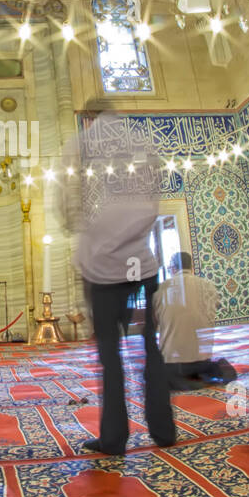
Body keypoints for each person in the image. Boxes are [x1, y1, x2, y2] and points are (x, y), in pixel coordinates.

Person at [59, 99, 176, 455]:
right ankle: (164, 429)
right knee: (151, 347)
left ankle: (114, 437)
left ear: (88, 118)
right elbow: (155, 196)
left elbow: (67, 202)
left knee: (111, 356)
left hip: (102, 268)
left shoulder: (81, 144)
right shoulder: (144, 142)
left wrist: (85, 232)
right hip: (142, 263)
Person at [153, 252, 230, 390]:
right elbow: (214, 310)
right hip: (203, 362)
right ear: (191, 266)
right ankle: (204, 376)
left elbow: (153, 324)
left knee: (153, 373)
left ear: (173, 268)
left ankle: (183, 381)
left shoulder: (160, 289)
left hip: (172, 365)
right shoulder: (209, 286)